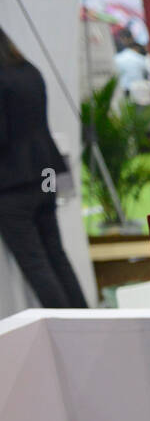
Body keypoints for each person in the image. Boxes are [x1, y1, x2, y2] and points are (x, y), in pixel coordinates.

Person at [0, 27, 88, 308]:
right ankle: (84, 319)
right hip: (46, 173)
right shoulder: (29, 70)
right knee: (56, 255)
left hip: (12, 183)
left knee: (36, 264)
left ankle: (63, 328)